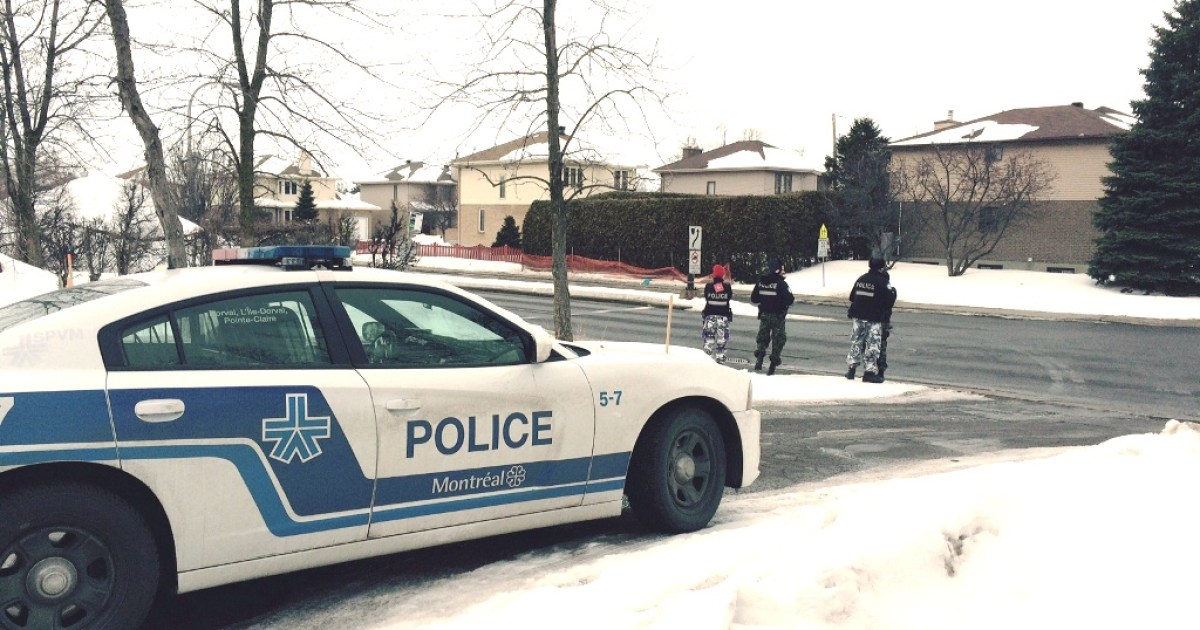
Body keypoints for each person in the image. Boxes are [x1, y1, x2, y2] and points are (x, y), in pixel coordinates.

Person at [845, 257, 897, 383]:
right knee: (872, 344)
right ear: (882, 267)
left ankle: (851, 370)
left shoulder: (861, 279)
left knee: (856, 342)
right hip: (874, 318)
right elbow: (890, 301)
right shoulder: (883, 281)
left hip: (858, 316)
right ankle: (869, 372)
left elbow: (852, 297)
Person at [750, 256, 794, 375]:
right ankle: (772, 366)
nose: (783, 270)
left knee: (762, 337)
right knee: (778, 339)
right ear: (777, 269)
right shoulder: (781, 284)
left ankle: (759, 358)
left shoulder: (761, 282)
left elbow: (754, 298)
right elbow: (789, 300)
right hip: (778, 316)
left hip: (764, 315)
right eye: (781, 268)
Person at [701, 264, 733, 364]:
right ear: (723, 275)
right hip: (723, 317)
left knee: (708, 341)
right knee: (722, 341)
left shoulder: (708, 286)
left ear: (714, 274)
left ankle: (707, 361)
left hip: (709, 316)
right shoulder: (727, 287)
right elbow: (729, 297)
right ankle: (720, 359)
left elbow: (707, 297)